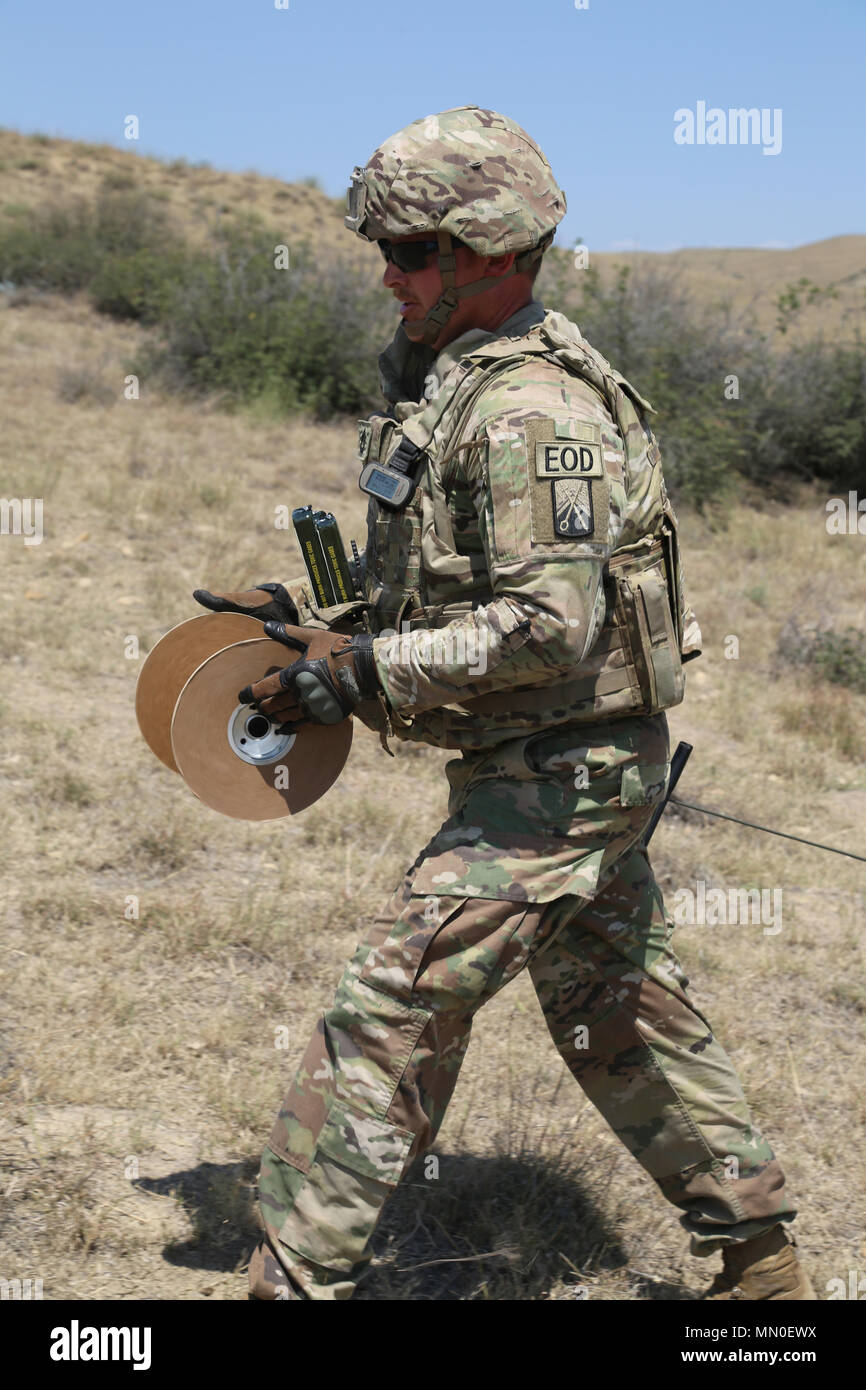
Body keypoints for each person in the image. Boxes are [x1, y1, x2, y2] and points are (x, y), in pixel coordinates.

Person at [195, 106, 813, 1302]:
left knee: (393, 1001)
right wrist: (330, 620)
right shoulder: (465, 388)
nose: (389, 272)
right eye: (388, 248)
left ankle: (289, 1279)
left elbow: (545, 627)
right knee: (615, 1003)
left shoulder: (532, 412)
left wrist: (363, 674)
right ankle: (759, 1261)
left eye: (411, 251)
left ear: (483, 253)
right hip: (555, 762)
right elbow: (470, 593)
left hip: (558, 777)